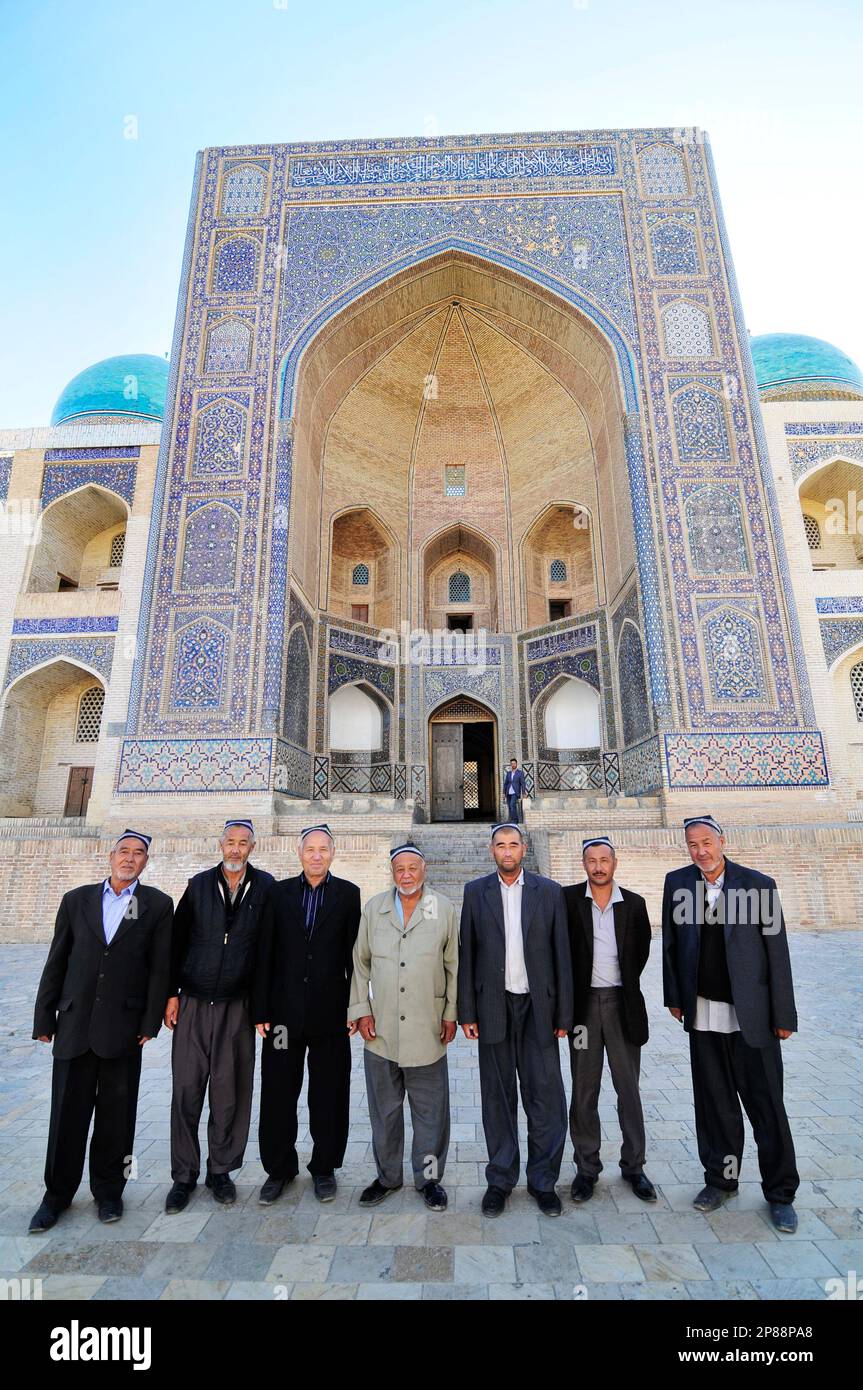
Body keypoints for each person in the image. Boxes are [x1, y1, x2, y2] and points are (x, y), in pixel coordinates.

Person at [662, 814, 800, 1233]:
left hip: (752, 1018)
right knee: (715, 1104)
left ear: (722, 841)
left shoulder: (757, 886)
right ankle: (721, 1180)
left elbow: (777, 952)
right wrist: (674, 997)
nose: (700, 851)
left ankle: (780, 1193)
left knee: (766, 1106)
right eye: (692, 845)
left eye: (706, 842)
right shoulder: (679, 883)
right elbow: (670, 943)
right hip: (703, 1014)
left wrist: (783, 1015)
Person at [29, 830, 173, 1233]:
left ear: (146, 861)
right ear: (110, 856)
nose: (130, 858)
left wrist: (149, 1023)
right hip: (75, 1025)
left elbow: (160, 968)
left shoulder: (158, 906)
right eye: (124, 851)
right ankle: (55, 1195)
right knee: (66, 1117)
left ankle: (109, 1193)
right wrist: (45, 1018)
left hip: (124, 1029)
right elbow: (57, 960)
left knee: (117, 1115)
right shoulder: (77, 901)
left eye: (138, 853)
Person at [458, 822, 573, 1217]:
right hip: (494, 1007)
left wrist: (564, 1013)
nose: (507, 852)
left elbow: (563, 956)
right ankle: (500, 1180)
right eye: (500, 846)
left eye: (513, 845)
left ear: (523, 849)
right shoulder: (475, 893)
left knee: (545, 1098)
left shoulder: (550, 893)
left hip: (538, 1009)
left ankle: (543, 1182)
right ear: (492, 851)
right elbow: (467, 954)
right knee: (497, 1096)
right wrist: (466, 1012)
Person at [163, 819, 274, 1212]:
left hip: (238, 1007)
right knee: (186, 1092)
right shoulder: (197, 886)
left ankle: (220, 1170)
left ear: (252, 847)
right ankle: (183, 1176)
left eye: (243, 843)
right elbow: (176, 942)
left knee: (229, 1092)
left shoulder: (266, 888)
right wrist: (170, 994)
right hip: (194, 1002)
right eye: (230, 842)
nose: (236, 849)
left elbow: (269, 953)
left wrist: (263, 1009)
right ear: (220, 844)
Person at [252, 825, 360, 1204]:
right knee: (279, 1090)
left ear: (333, 853)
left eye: (323, 850)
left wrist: (355, 1006)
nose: (316, 856)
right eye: (310, 849)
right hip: (283, 1016)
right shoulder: (278, 894)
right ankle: (279, 1168)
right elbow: (265, 952)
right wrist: (261, 1008)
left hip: (330, 1016)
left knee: (329, 1091)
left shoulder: (348, 895)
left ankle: (324, 1166)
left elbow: (354, 958)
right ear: (299, 854)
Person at [348, 843, 458, 1212]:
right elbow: (360, 964)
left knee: (430, 1112)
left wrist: (450, 1014)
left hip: (426, 1030)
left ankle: (428, 1179)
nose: (406, 874)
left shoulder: (441, 908)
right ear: (392, 873)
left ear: (424, 870)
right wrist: (361, 1010)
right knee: (386, 1111)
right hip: (381, 1033)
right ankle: (387, 1177)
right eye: (400, 869)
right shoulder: (375, 909)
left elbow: (453, 964)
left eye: (413, 868)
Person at [563, 836, 655, 1204]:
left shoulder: (634, 904)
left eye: (604, 860)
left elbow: (642, 951)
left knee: (627, 1090)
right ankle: (587, 1169)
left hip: (621, 1006)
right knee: (584, 1090)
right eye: (591, 860)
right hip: (584, 1011)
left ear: (614, 863)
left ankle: (634, 1166)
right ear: (583, 864)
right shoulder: (568, 901)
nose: (598, 866)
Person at [502, 758, 526, 824]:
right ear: (510, 765)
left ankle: (514, 820)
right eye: (512, 764)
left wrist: (523, 793)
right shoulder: (508, 773)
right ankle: (511, 819)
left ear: (516, 764)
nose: (513, 765)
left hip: (515, 792)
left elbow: (523, 783)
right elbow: (505, 783)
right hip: (508, 792)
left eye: (514, 763)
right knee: (509, 806)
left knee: (512, 805)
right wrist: (504, 793)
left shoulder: (520, 773)